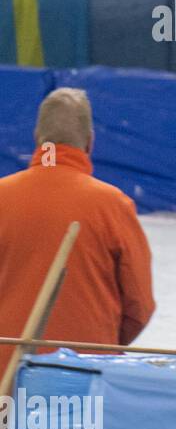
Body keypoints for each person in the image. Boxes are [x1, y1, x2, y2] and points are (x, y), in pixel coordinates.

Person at [0, 89, 155, 375]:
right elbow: (140, 305)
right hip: (84, 375)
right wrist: (102, 345)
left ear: (37, 139)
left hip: (6, 375)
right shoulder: (114, 206)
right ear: (90, 142)